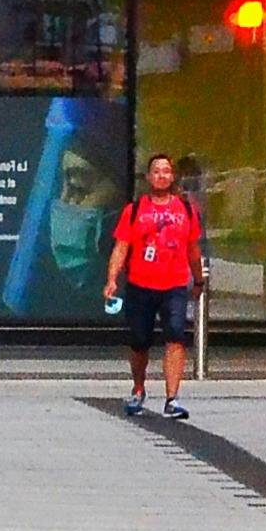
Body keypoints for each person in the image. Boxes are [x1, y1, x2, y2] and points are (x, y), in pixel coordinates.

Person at [104, 151, 207, 419]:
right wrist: (112, 279)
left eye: (166, 171)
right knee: (139, 341)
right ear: (149, 177)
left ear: (172, 177)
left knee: (175, 337)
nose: (161, 176)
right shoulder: (134, 210)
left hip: (174, 285)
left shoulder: (186, 210)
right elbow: (121, 247)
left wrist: (198, 279)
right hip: (140, 284)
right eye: (156, 171)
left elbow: (193, 249)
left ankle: (172, 399)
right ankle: (138, 389)